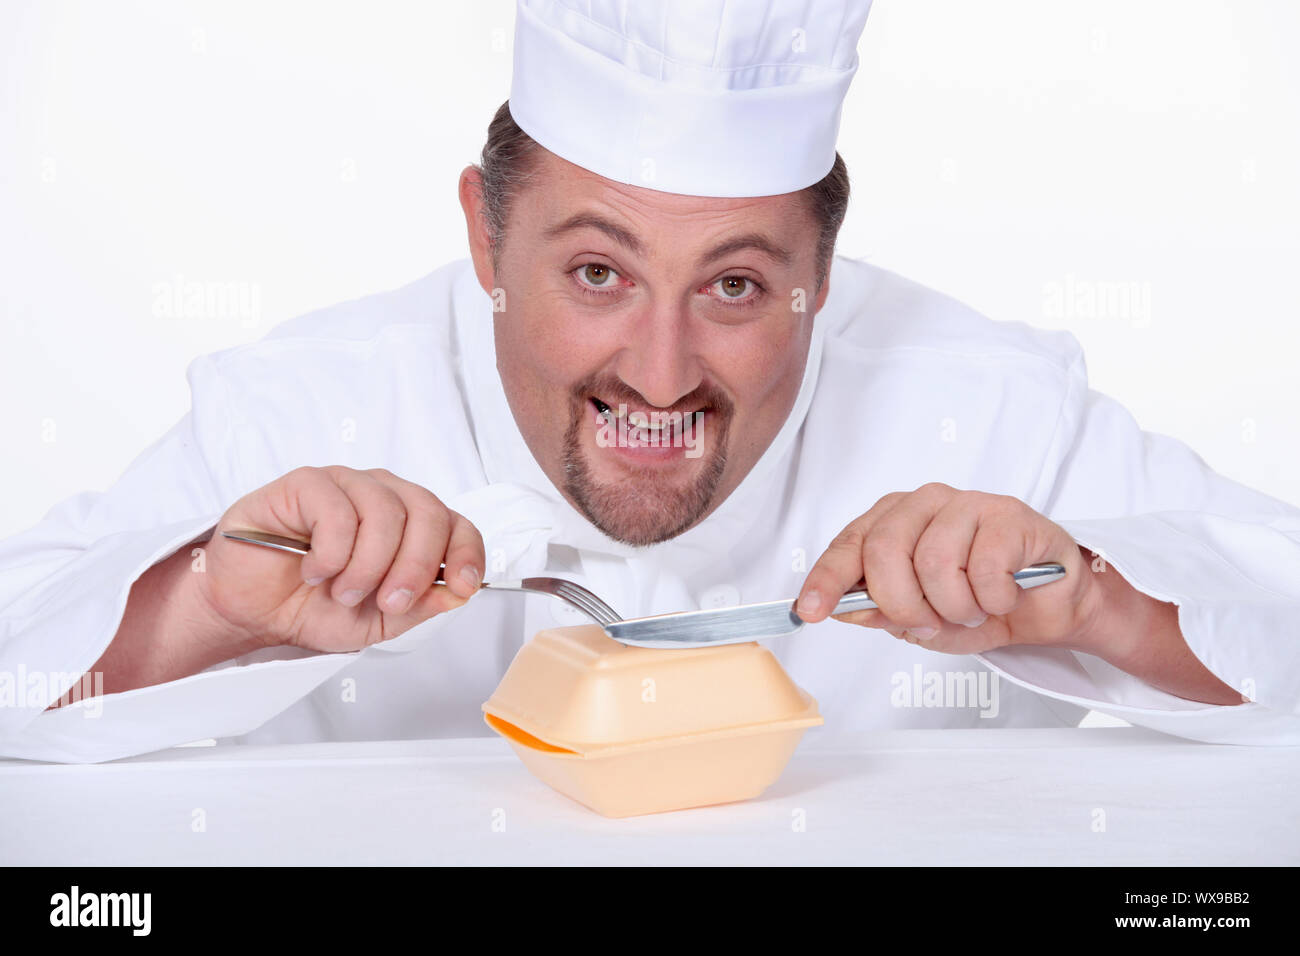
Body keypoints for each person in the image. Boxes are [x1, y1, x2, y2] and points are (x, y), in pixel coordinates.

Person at [2, 0, 1298, 763]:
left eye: (736, 285)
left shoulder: (993, 409)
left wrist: (1095, 603)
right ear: (484, 240)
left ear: (822, 274)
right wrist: (208, 605)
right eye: (597, 274)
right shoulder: (300, 411)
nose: (661, 372)